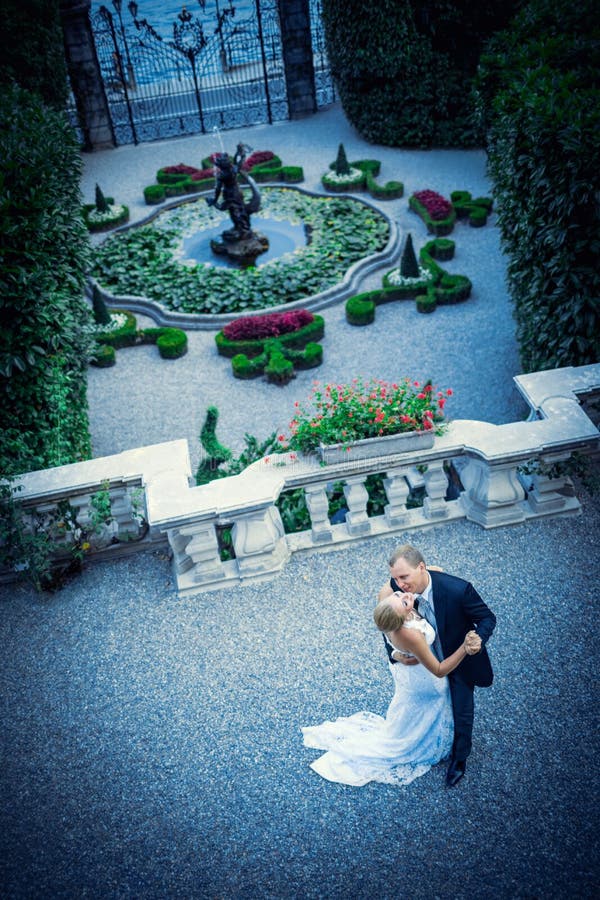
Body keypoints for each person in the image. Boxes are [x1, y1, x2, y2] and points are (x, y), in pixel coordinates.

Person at [301, 591, 480, 787]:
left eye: (398, 595)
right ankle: (424, 741)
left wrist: (397, 654)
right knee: (430, 705)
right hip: (426, 677)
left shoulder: (388, 613)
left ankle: (415, 731)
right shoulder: (410, 634)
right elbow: (438, 670)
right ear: (402, 618)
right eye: (403, 602)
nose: (404, 595)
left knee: (411, 708)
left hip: (409, 672)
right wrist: (464, 647)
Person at [378, 544, 496, 786]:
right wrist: (395, 652)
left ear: (421, 567)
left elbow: (487, 618)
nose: (399, 584)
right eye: (394, 578)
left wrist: (478, 638)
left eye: (404, 577)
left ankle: (459, 760)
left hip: (459, 660)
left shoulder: (458, 590)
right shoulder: (396, 591)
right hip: (426, 667)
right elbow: (386, 625)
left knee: (463, 711)